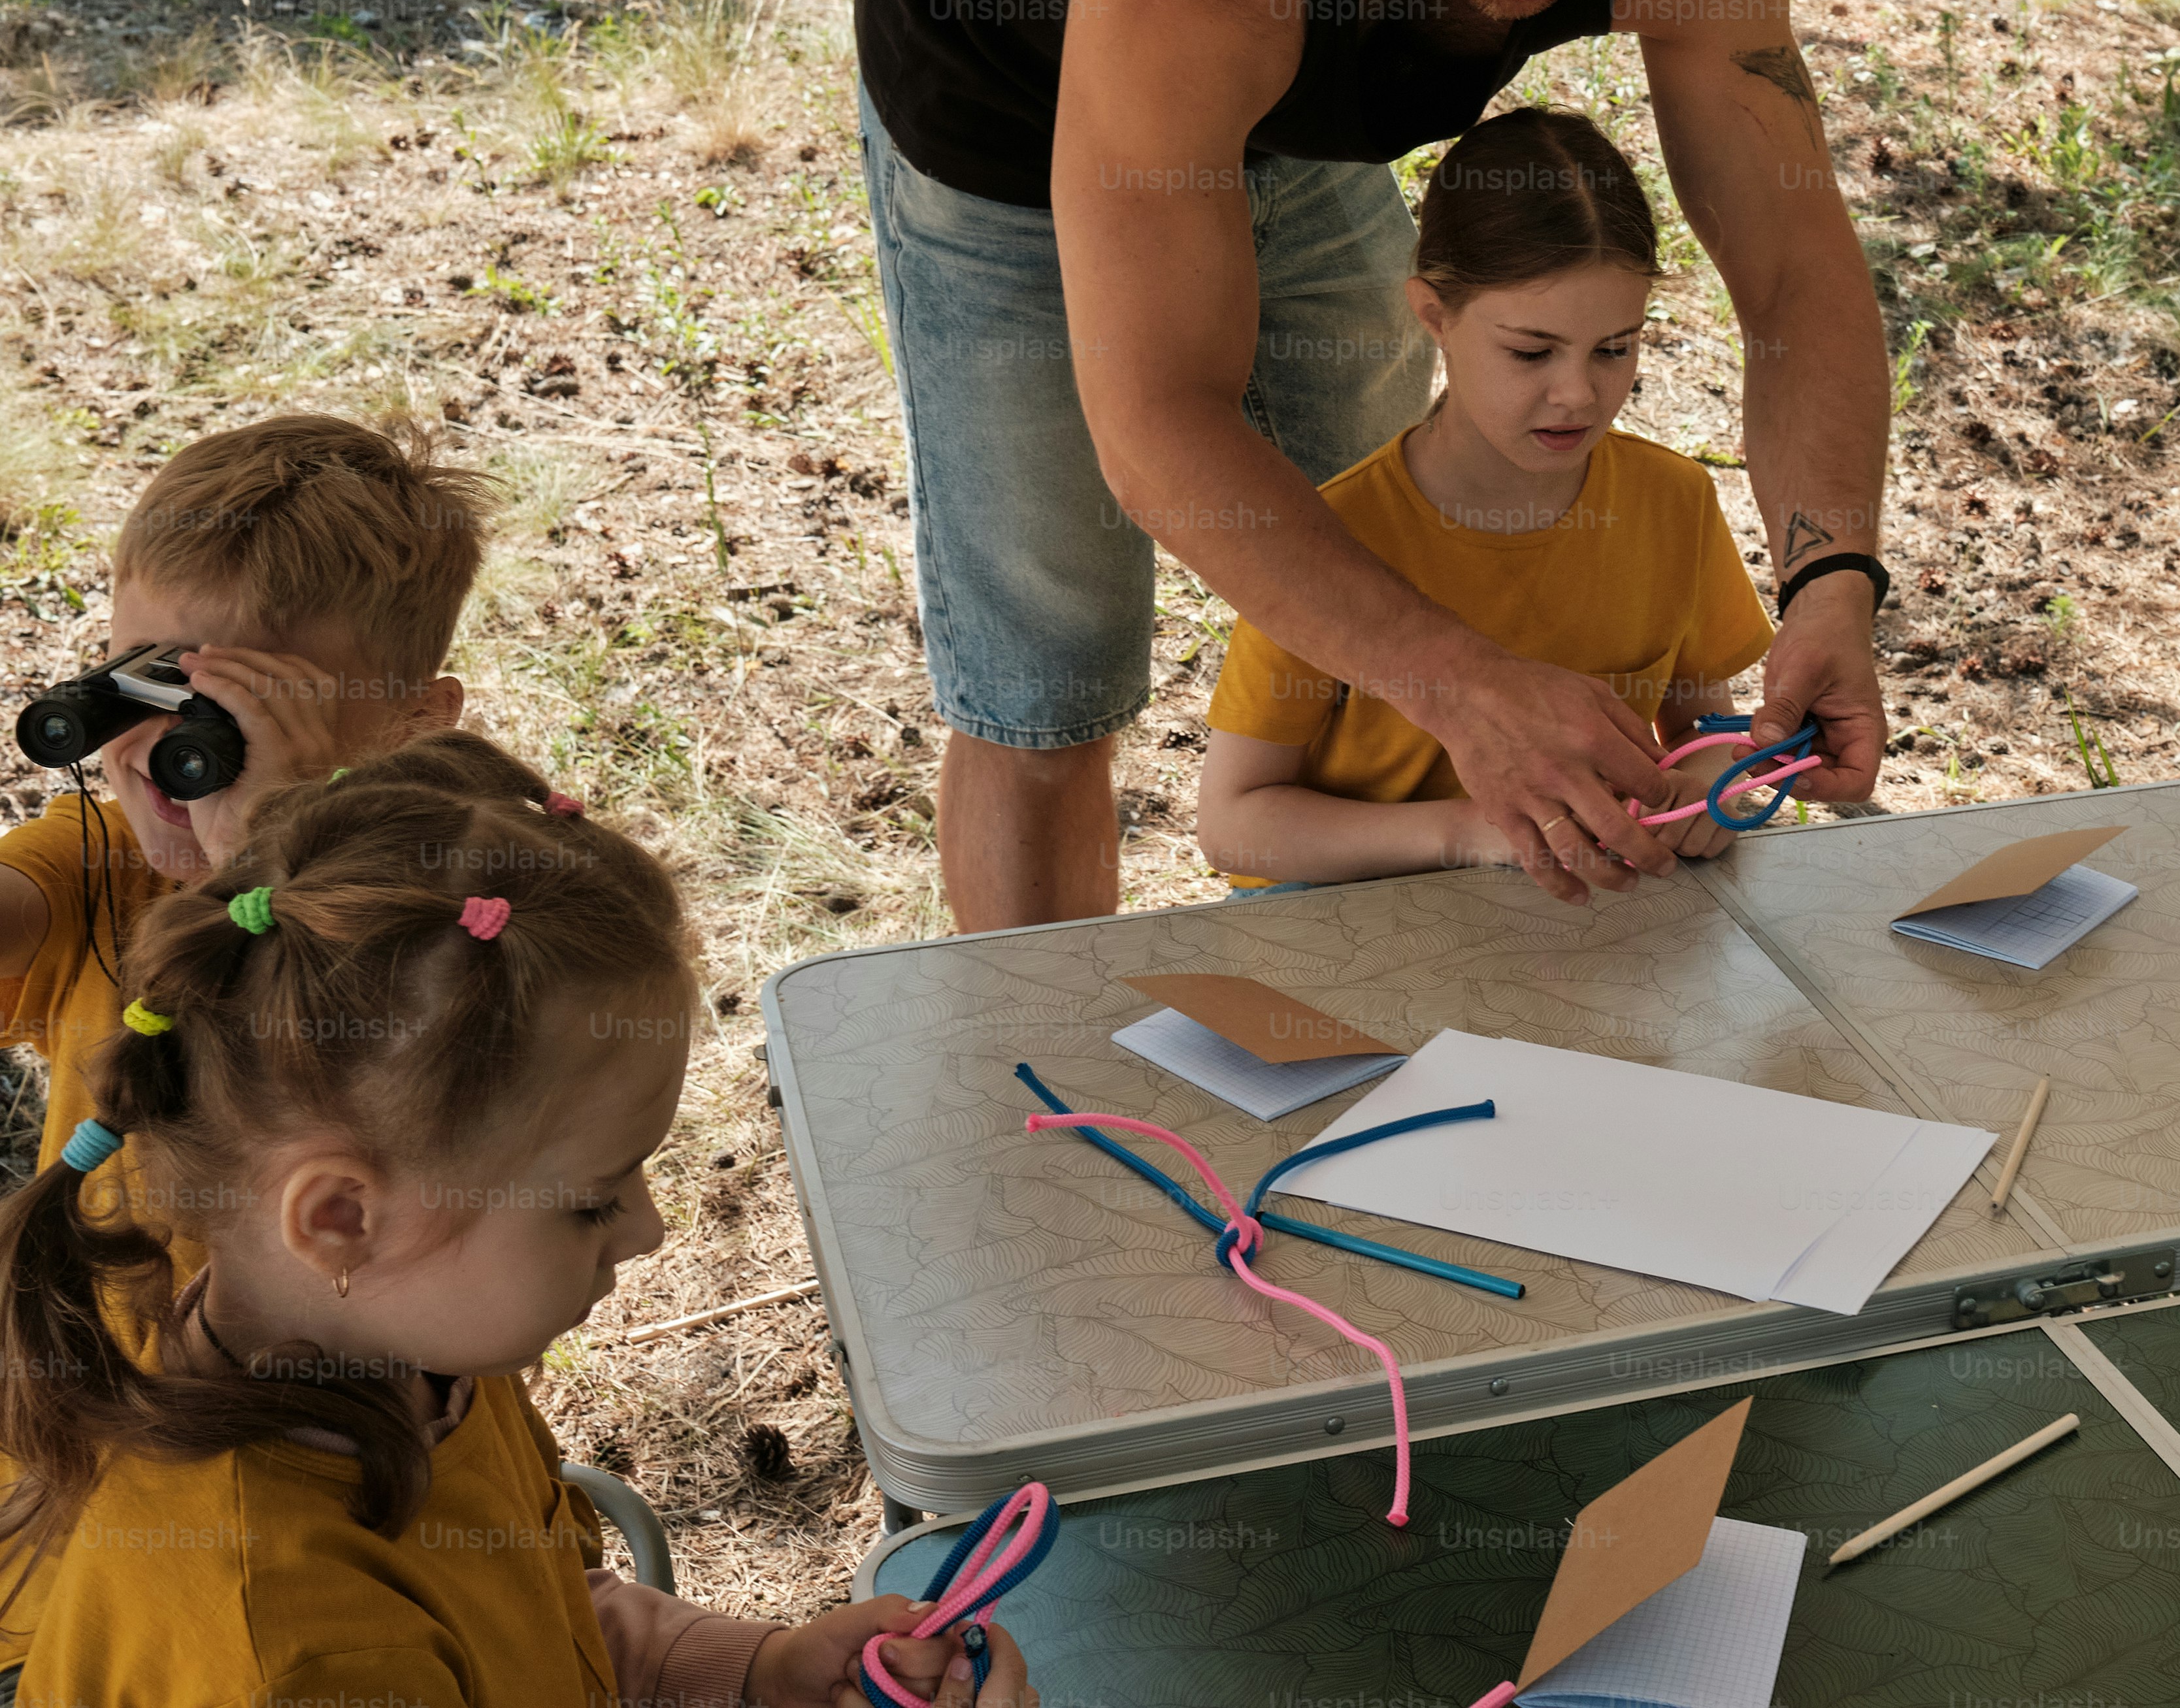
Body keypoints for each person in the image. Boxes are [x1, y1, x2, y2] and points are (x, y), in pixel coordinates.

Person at [853, 0, 1891, 932]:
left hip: (1296, 111)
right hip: (1007, 118)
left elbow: (1791, 261)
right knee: (1050, 674)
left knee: (1401, 566)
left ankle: (1375, 1040)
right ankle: (1030, 1099)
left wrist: (1830, 579)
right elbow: (1158, 415)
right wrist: (1462, 686)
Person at [0, 732, 1034, 1705]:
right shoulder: (293, 1650)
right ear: (341, 1217)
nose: (648, 1231)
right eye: (592, 1199)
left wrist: (757, 1669)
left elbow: (533, 1627)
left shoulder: (405, 1356)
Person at [0, 414, 491, 1680]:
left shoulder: (442, 900)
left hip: (348, 1486)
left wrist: (278, 827)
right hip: (83, 1520)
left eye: (227, 707)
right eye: (132, 682)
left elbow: (394, 1057)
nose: (156, 750)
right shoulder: (102, 869)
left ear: (407, 724)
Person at [1197, 110, 1774, 888]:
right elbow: (1235, 825)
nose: (1576, 393)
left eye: (1615, 348)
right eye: (1530, 351)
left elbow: (1707, 727)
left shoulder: (1673, 501)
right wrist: (1468, 830)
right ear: (1434, 313)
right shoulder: (1328, 538)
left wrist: (1709, 778)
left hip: (1582, 919)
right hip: (1352, 929)